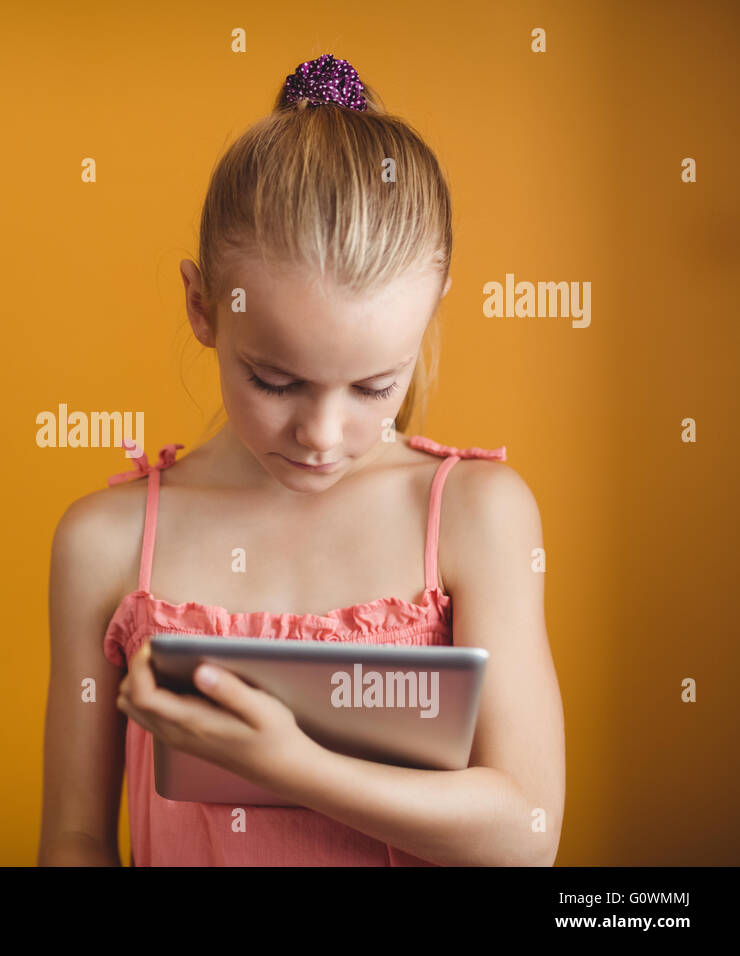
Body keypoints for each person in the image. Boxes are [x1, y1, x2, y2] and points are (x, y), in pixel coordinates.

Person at [38, 54, 564, 866]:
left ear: (428, 318)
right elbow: (74, 839)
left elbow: (525, 837)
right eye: (276, 381)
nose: (322, 433)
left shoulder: (475, 516)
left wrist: (291, 766)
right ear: (201, 307)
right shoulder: (105, 542)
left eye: (373, 385)